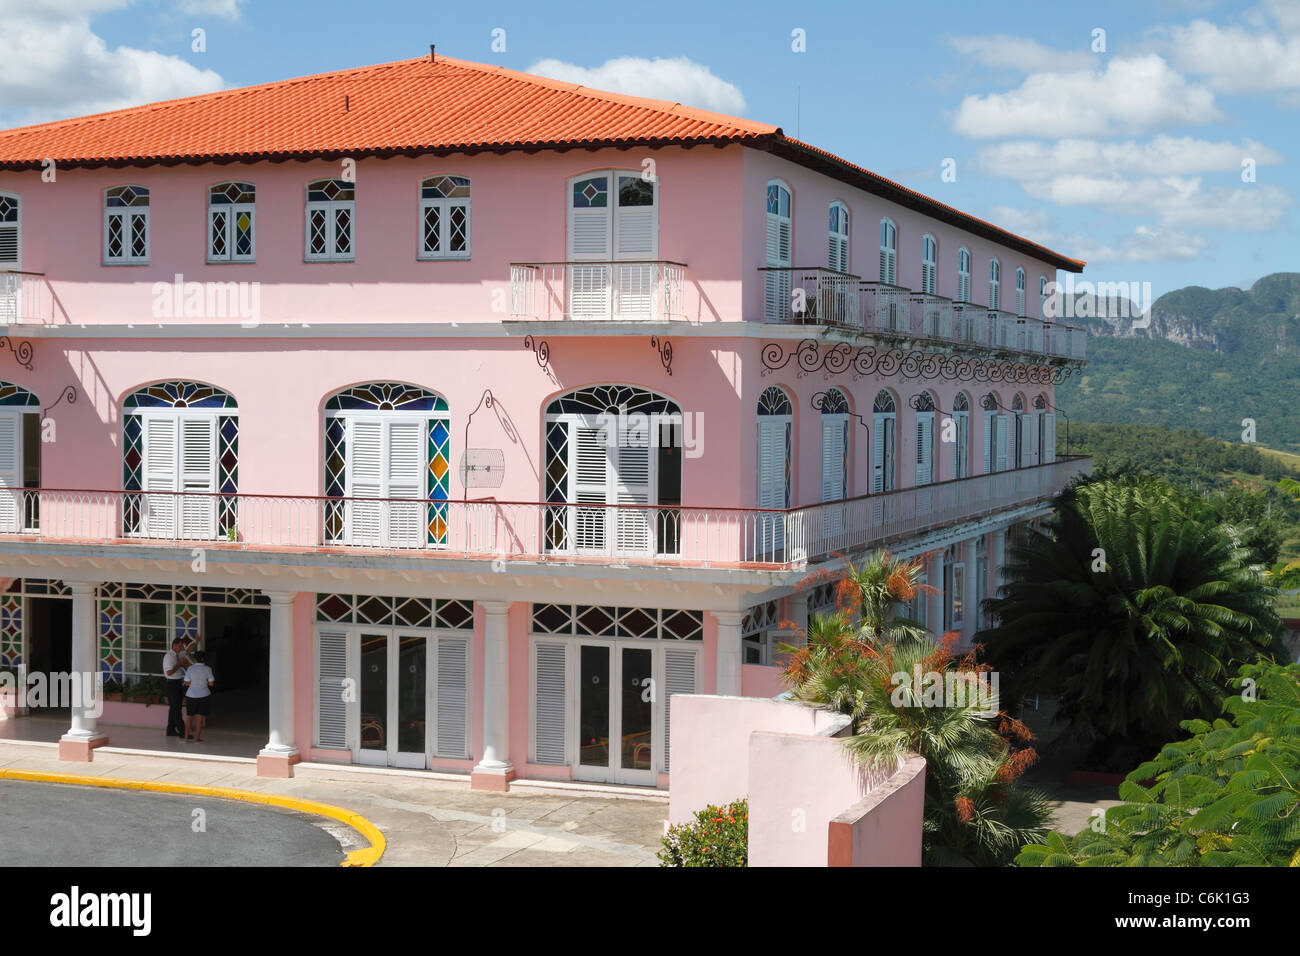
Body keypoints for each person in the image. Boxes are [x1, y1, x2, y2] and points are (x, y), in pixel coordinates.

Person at [182, 651, 215, 743]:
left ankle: (186, 738)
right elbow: (211, 683)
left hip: (191, 695)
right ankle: (197, 739)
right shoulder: (208, 669)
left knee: (189, 717)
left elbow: (187, 683)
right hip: (204, 695)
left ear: (195, 659)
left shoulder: (190, 669)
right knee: (200, 718)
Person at [161, 638, 191, 737]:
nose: (180, 648)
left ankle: (170, 730)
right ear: (174, 645)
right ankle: (183, 732)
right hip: (171, 684)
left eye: (181, 646)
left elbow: (188, 651)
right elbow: (169, 672)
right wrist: (179, 664)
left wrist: (196, 641)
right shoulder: (169, 657)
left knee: (174, 708)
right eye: (179, 646)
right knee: (176, 709)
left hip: (178, 683)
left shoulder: (178, 654)